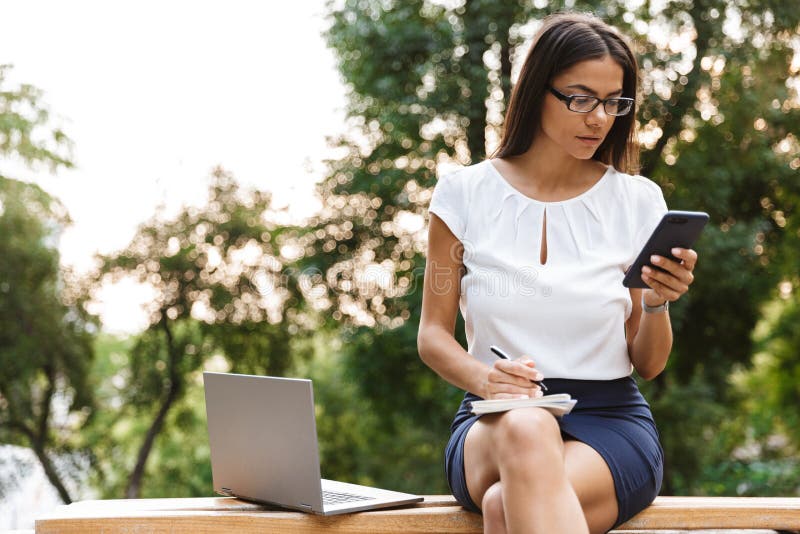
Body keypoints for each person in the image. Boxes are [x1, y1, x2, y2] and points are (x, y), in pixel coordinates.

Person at [417, 12, 699, 534]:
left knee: (507, 508)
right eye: (580, 97)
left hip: (610, 418)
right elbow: (433, 335)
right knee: (527, 428)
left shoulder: (638, 202)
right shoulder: (462, 194)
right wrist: (488, 382)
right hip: (493, 418)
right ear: (536, 91)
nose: (598, 118)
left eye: (614, 102)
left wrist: (658, 303)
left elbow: (649, 363)